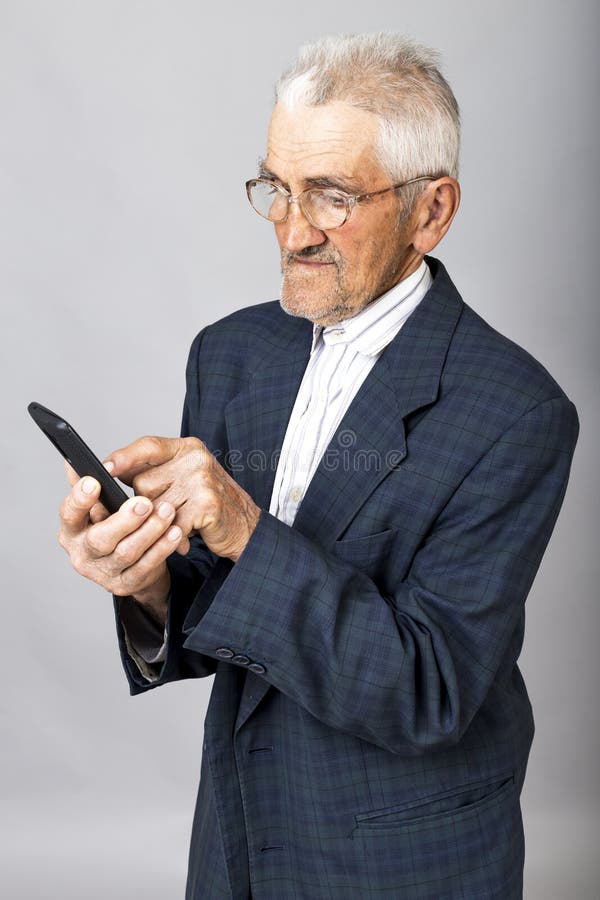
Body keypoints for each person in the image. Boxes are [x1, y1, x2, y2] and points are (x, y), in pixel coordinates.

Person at [57, 33, 578, 900]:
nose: (291, 230)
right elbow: (220, 611)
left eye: (331, 197)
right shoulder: (228, 354)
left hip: (405, 860)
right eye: (276, 187)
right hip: (235, 841)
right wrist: (142, 578)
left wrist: (244, 530)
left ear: (431, 210)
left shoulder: (518, 412)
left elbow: (428, 686)